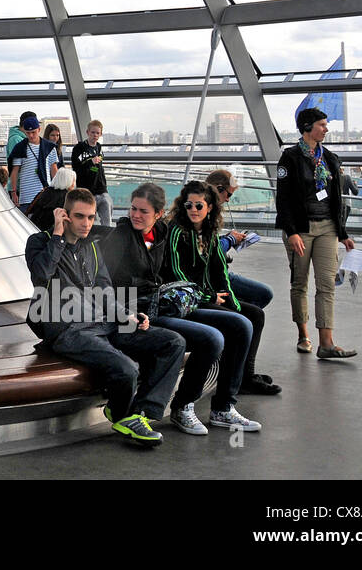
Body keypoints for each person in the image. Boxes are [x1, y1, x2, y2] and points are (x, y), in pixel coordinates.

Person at [25, 188, 185, 445]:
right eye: (79, 217)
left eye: (90, 217)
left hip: (103, 323)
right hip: (69, 329)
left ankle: (138, 414)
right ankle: (123, 414)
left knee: (173, 342)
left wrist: (127, 316)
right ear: (64, 215)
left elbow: (105, 291)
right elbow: (41, 276)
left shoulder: (92, 248)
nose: (87, 224)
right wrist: (57, 235)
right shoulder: (40, 242)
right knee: (127, 369)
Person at [97, 183, 258, 435]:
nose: (136, 215)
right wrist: (127, 315)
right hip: (136, 312)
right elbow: (102, 283)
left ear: (159, 214)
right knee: (211, 338)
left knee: (241, 324)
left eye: (143, 211)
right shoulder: (120, 238)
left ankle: (224, 407)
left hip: (162, 304)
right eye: (133, 209)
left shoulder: (160, 232)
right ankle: (183, 407)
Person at [163, 181, 280, 407]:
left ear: (209, 208)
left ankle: (244, 378)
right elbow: (178, 277)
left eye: (199, 206)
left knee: (254, 315)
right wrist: (210, 298)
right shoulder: (177, 232)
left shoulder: (210, 233)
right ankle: (224, 401)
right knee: (238, 324)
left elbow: (220, 273)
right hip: (187, 301)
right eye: (189, 205)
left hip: (206, 296)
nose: (193, 210)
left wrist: (232, 302)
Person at [276, 107, 357, 359]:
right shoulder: (289, 158)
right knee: (299, 282)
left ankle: (327, 343)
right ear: (307, 127)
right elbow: (284, 199)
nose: (326, 128)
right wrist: (291, 232)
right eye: (322, 124)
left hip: (327, 228)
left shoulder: (330, 158)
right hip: (300, 229)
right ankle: (303, 334)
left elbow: (336, 199)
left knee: (326, 285)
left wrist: (342, 234)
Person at [205, 169, 275, 311]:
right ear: (218, 189)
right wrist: (230, 239)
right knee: (263, 295)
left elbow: (207, 243)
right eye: (228, 194)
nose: (228, 200)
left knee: (258, 299)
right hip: (211, 275)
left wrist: (226, 238)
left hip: (215, 271)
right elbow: (207, 250)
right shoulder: (203, 212)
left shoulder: (207, 211)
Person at [8, 114, 59, 210]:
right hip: (26, 198)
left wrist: (57, 190)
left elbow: (53, 169)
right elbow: (14, 171)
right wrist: (13, 192)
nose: (31, 135)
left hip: (45, 194)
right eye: (28, 133)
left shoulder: (50, 147)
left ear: (39, 130)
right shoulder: (20, 148)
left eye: (33, 132)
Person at [71, 119, 111, 226]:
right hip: (87, 191)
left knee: (107, 223)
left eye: (97, 133)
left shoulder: (99, 148)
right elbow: (76, 168)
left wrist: (104, 187)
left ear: (101, 134)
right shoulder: (79, 148)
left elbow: (99, 169)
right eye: (93, 132)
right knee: (88, 223)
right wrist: (91, 162)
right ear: (87, 132)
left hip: (101, 190)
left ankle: (106, 241)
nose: (95, 135)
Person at [26, 167, 76, 231]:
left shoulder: (45, 191)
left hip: (33, 227)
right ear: (67, 181)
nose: (74, 184)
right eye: (73, 181)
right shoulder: (67, 197)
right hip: (52, 231)